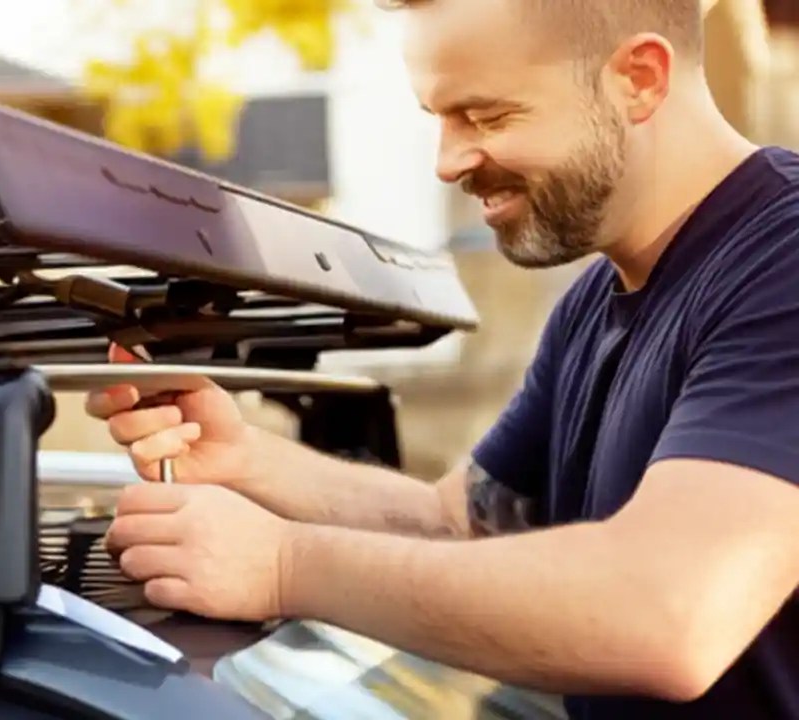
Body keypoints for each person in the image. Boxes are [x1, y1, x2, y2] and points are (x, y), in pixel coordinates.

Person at [85, 0, 799, 717]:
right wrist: (245, 458)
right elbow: (464, 524)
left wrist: (282, 565)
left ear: (639, 78)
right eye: (440, 117)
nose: (448, 162)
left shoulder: (783, 261)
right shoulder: (598, 299)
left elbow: (669, 613)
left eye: (487, 117)